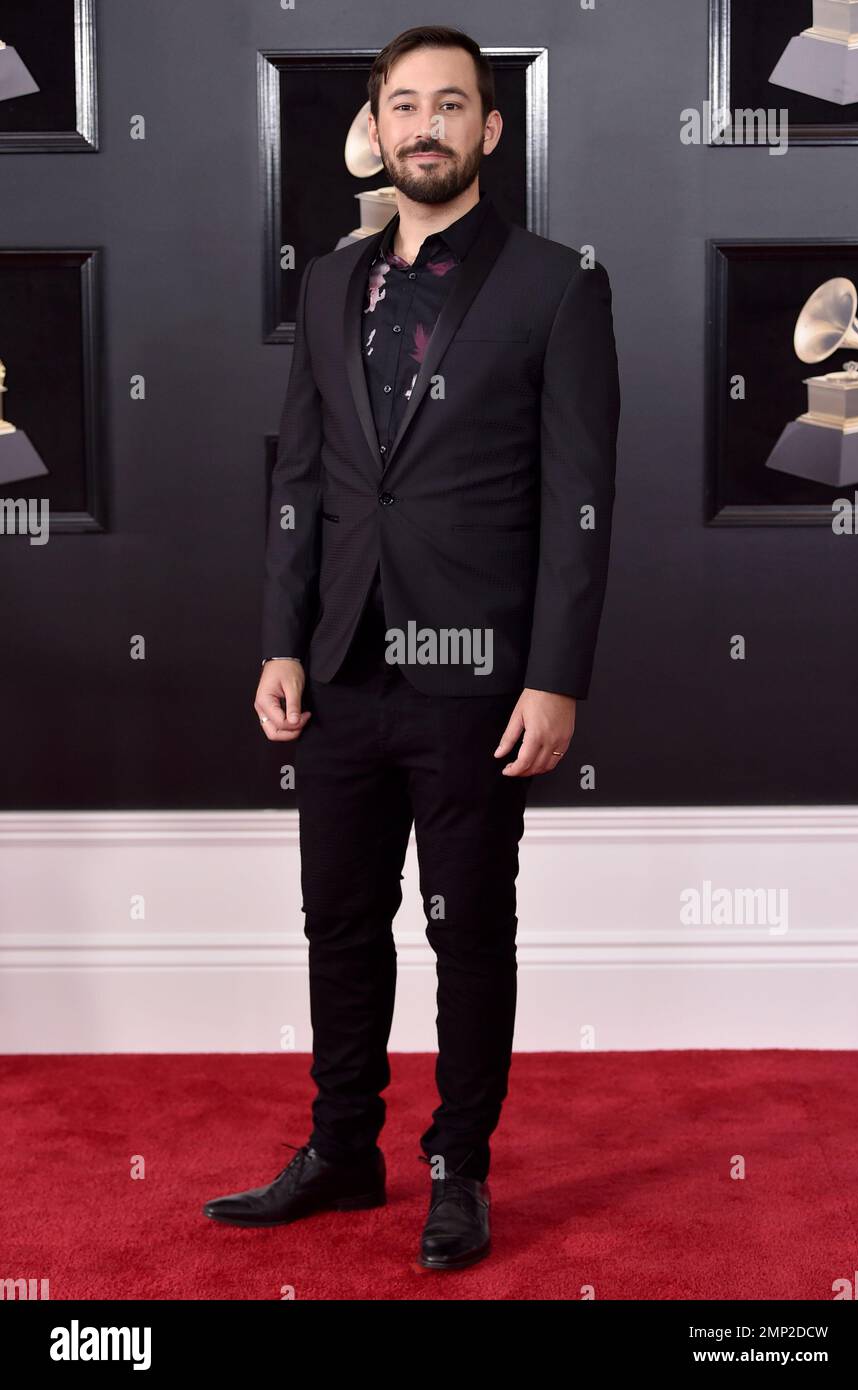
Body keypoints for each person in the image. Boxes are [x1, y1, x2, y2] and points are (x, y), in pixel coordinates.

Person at [203, 23, 621, 1271]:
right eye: (403, 106)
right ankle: (342, 1150)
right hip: (338, 666)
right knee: (338, 917)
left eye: (451, 105)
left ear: (491, 131)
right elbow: (305, 480)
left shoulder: (558, 284)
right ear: (375, 130)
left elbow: (581, 497)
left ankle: (460, 1168)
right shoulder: (328, 281)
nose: (424, 125)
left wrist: (555, 673)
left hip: (477, 676)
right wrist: (281, 640)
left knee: (466, 928)